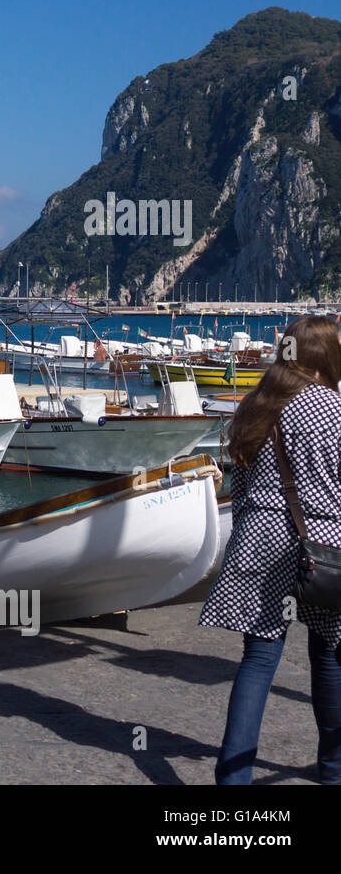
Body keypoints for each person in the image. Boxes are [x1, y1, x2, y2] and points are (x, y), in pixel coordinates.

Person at [199, 315, 341, 784]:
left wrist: (248, 532)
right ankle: (333, 768)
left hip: (260, 534)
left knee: (259, 658)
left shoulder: (259, 404)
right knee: (329, 652)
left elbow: (238, 485)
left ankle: (233, 780)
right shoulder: (332, 408)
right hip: (323, 543)